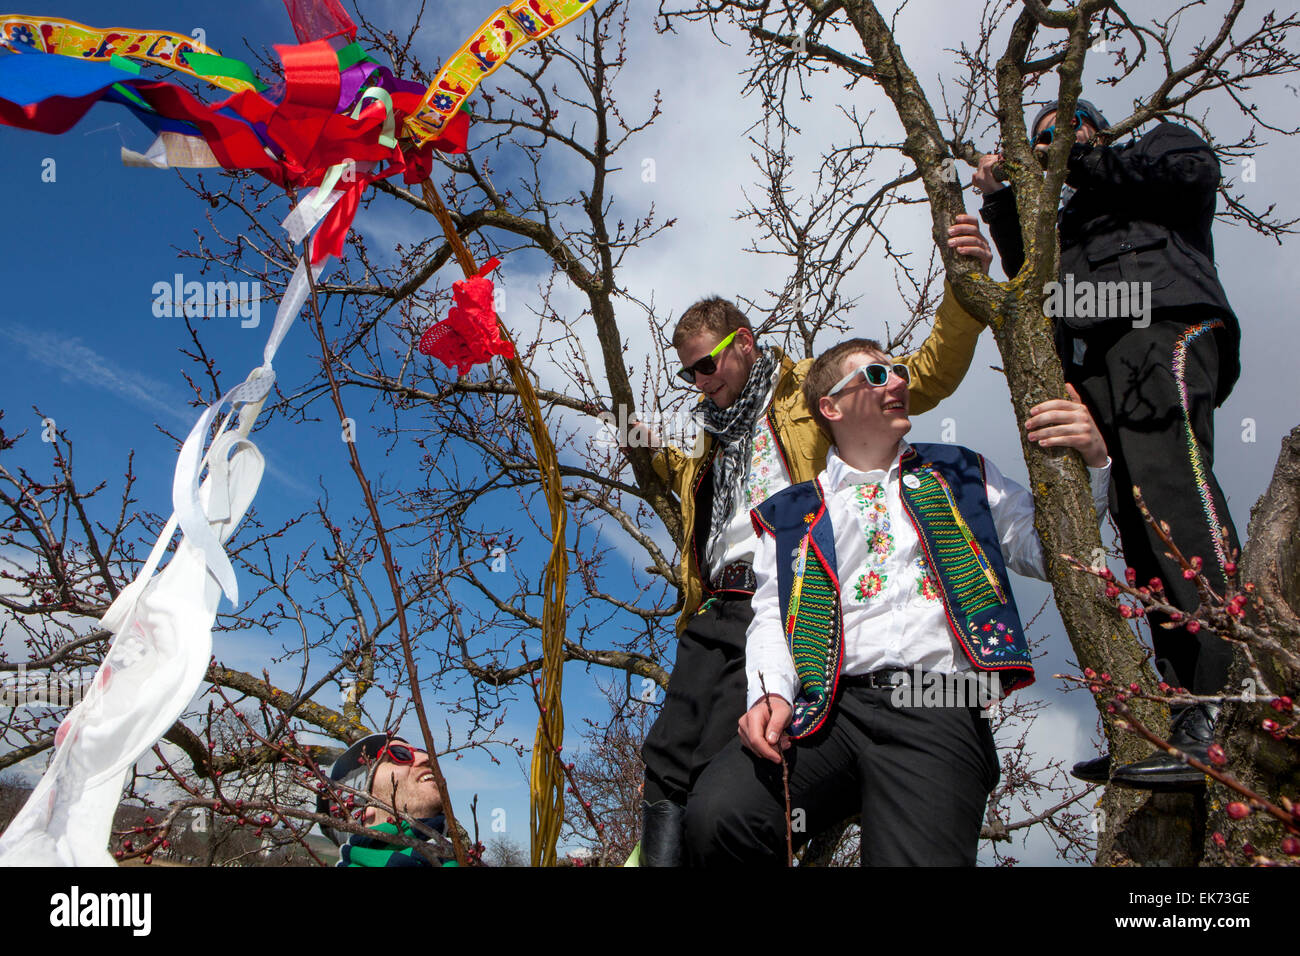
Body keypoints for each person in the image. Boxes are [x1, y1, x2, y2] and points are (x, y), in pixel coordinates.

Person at [637, 216, 995, 866]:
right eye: (689, 374)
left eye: (709, 364)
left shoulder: (814, 393)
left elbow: (929, 371)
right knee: (668, 747)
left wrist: (962, 286)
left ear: (744, 343)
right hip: (717, 604)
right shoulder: (710, 439)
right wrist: (637, 442)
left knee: (738, 751)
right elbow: (680, 478)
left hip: (792, 595)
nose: (700, 382)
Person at [684, 338, 1110, 865]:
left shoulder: (962, 473)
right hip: (827, 711)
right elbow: (771, 615)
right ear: (831, 407)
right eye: (878, 375)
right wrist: (768, 693)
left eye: (900, 370)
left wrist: (1093, 465)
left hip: (937, 705)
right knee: (718, 814)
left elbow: (1054, 557)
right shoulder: (791, 512)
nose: (899, 382)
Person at [973, 99, 1241, 788]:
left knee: (1171, 491)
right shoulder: (1064, 221)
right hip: (1096, 364)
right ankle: (1191, 713)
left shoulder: (1156, 150)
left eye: (1063, 128)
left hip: (1164, 327)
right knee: (1134, 521)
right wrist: (1003, 198)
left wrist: (1082, 157)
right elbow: (1033, 274)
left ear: (1095, 126)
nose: (1049, 143)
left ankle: (1230, 694)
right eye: (1037, 140)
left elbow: (1192, 175)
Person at [318, 733, 460, 867]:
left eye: (421, 751)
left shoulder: (464, 858)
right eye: (399, 754)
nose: (426, 758)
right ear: (363, 807)